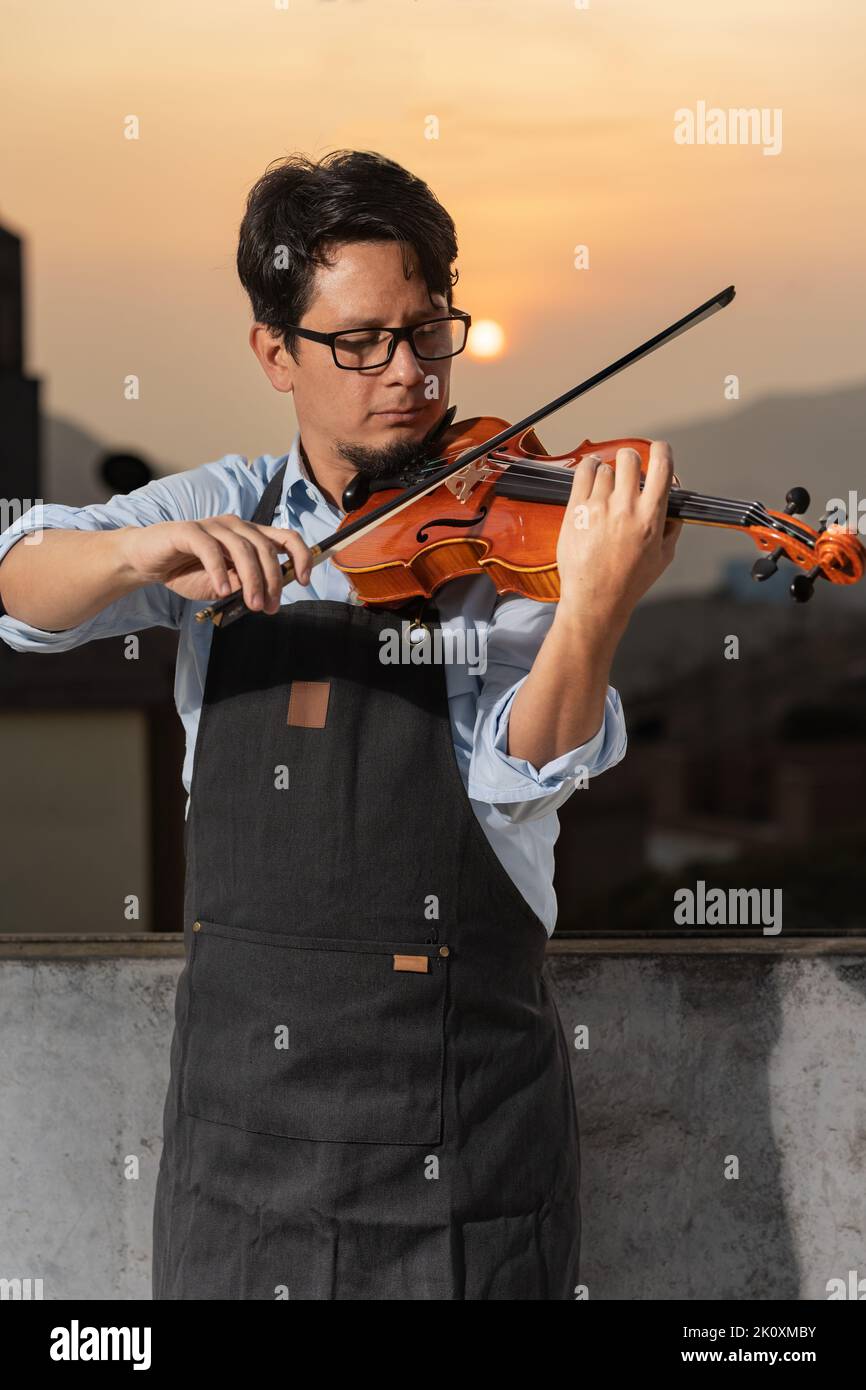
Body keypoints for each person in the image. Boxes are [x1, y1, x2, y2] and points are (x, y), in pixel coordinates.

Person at [0, 150, 682, 1300]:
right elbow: (20, 584)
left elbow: (520, 779)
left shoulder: (505, 539)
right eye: (358, 342)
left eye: (427, 331)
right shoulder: (225, 506)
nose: (407, 375)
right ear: (276, 352)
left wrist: (594, 611)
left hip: (459, 1151)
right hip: (237, 1154)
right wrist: (133, 550)